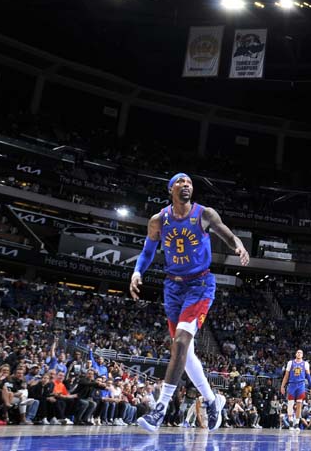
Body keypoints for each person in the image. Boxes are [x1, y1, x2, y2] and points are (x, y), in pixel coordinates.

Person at [129, 172, 250, 433]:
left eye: (190, 183)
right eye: (181, 182)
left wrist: (239, 247)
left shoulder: (204, 214)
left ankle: (159, 410)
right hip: (172, 287)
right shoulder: (158, 220)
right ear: (171, 189)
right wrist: (137, 272)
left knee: (181, 343)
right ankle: (211, 399)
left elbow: (229, 236)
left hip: (200, 284)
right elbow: (148, 251)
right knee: (186, 352)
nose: (187, 185)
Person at [280, 349, 311, 430]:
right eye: (298, 352)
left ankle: (296, 424)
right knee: (290, 404)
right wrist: (282, 386)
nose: (299, 353)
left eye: (301, 352)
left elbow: (308, 376)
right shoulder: (290, 363)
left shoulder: (305, 364)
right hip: (292, 385)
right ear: (295, 354)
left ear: (303, 355)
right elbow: (286, 375)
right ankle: (290, 422)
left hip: (301, 385)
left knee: (299, 405)